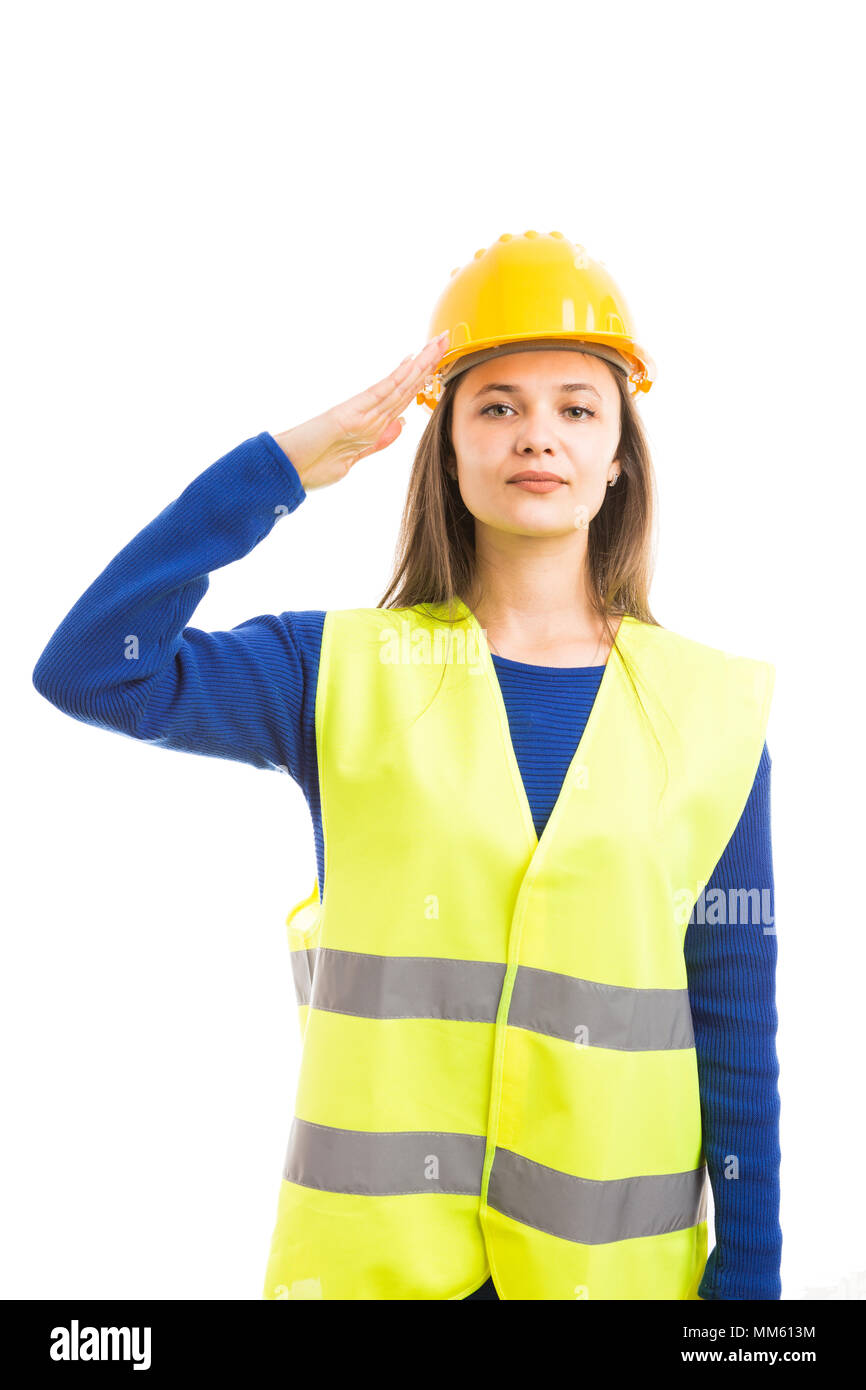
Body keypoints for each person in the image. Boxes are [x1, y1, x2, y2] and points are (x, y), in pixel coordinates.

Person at [32, 231, 781, 1301]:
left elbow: (733, 1015)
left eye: (576, 407)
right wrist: (282, 469)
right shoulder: (333, 671)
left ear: (619, 454)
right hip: (374, 1276)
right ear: (448, 449)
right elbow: (94, 667)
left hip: (616, 1279)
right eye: (495, 405)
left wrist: (747, 1292)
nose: (537, 435)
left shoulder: (711, 710)